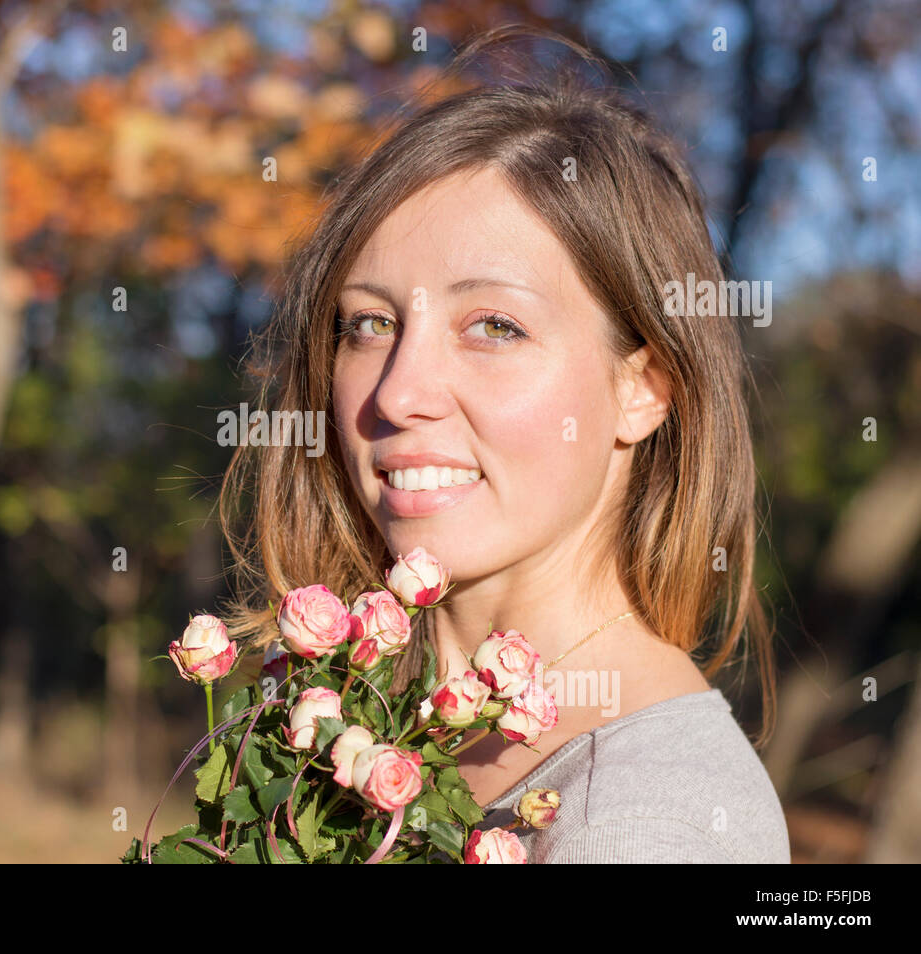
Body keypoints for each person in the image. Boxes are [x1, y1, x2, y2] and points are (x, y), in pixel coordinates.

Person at [217, 25, 789, 863]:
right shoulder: (319, 728)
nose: (399, 393)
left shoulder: (653, 826)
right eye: (370, 323)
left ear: (644, 388)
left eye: (493, 325)